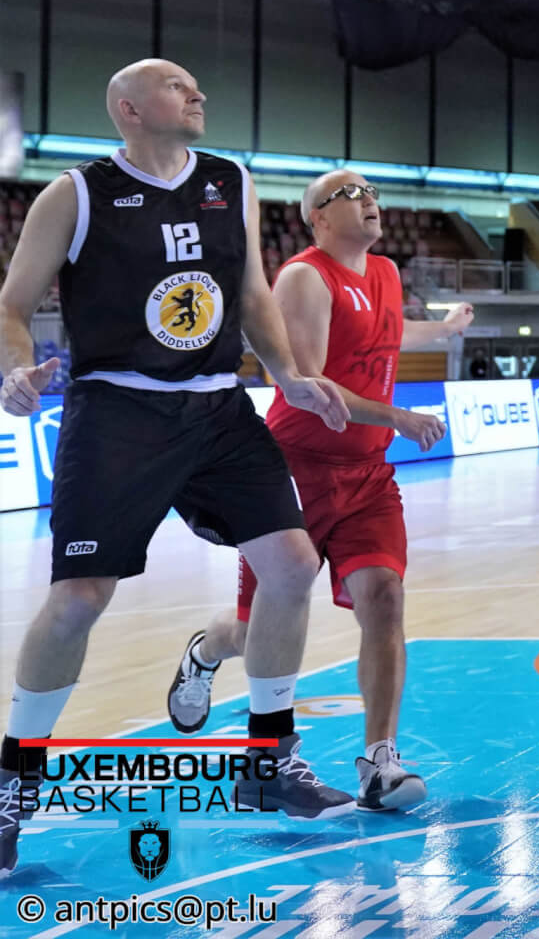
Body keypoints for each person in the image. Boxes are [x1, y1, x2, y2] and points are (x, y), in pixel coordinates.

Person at [0, 60, 354, 877]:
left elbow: (253, 293)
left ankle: (268, 760)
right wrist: (16, 370)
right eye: (176, 86)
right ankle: (16, 780)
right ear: (128, 109)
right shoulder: (75, 194)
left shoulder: (232, 179)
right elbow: (13, 303)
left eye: (197, 85)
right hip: (119, 410)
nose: (197, 93)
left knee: (293, 564)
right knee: (80, 599)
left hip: (218, 407)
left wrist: (289, 373)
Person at [163, 168, 475, 812]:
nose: (370, 203)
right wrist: (398, 417)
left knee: (385, 599)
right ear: (318, 217)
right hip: (295, 467)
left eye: (373, 194)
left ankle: (380, 762)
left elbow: (387, 333)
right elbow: (308, 385)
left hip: (367, 475)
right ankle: (205, 650)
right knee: (259, 631)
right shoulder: (305, 276)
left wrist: (440, 330)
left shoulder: (385, 274)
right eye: (353, 194)